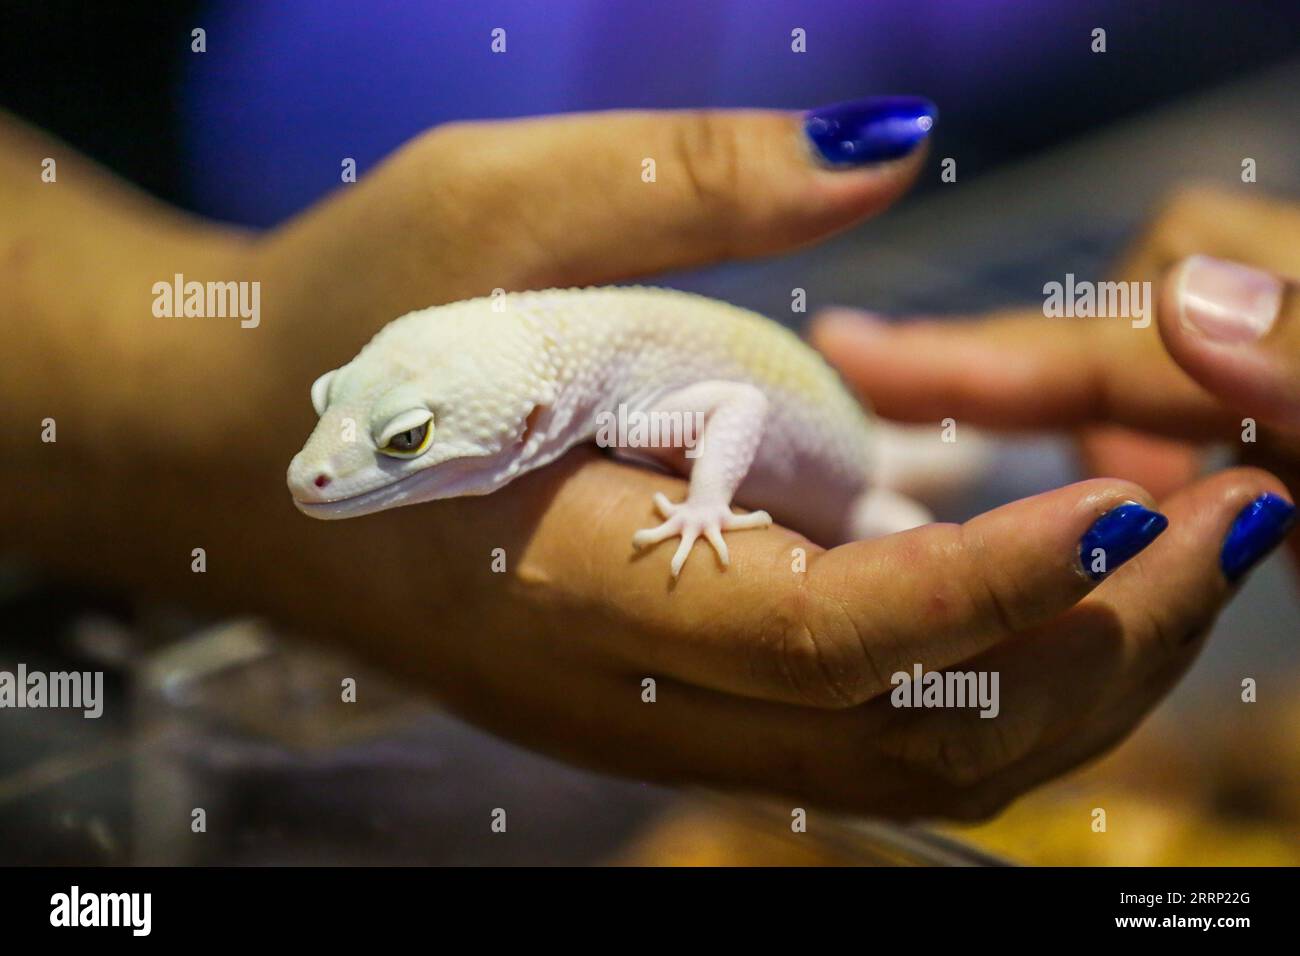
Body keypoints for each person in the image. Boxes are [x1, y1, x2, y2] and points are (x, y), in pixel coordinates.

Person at [1, 101, 1292, 820]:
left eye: (396, 445)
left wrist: (708, 514)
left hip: (861, 480)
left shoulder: (609, 386)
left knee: (912, 564)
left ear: (522, 423)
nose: (321, 472)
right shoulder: (533, 375)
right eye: (350, 410)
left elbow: (729, 411)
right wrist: (195, 407)